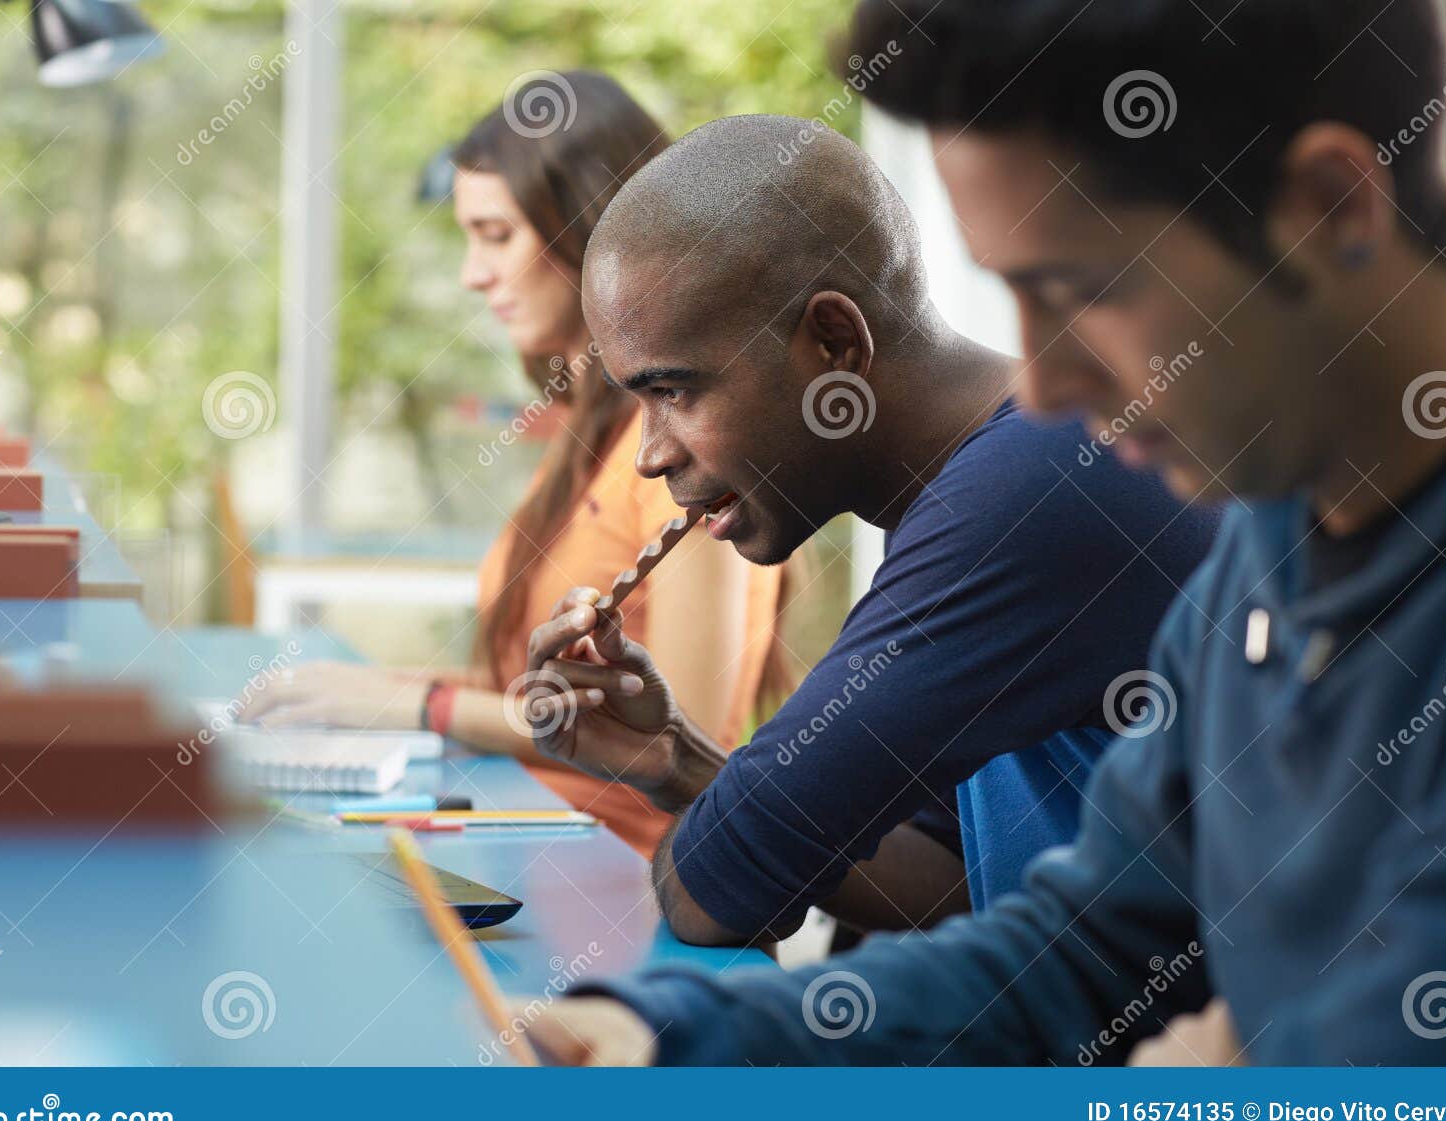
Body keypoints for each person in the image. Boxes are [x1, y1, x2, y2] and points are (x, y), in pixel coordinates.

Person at [523, 0, 1446, 1065]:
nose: (1043, 380)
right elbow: (1078, 951)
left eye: (1087, 291)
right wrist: (667, 1031)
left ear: (1329, 209)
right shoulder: (1271, 546)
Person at [518, 113, 1219, 946]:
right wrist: (675, 757)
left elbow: (716, 893)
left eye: (674, 390)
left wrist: (726, 835)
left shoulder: (1024, 493)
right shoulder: (983, 479)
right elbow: (953, 879)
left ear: (834, 341)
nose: (649, 455)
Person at [239, 72, 789, 858]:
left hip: (621, 880)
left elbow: (686, 739)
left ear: (590, 231)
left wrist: (420, 702)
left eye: (496, 235)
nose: (472, 273)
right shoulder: (586, 431)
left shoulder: (678, 443)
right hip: (539, 841)